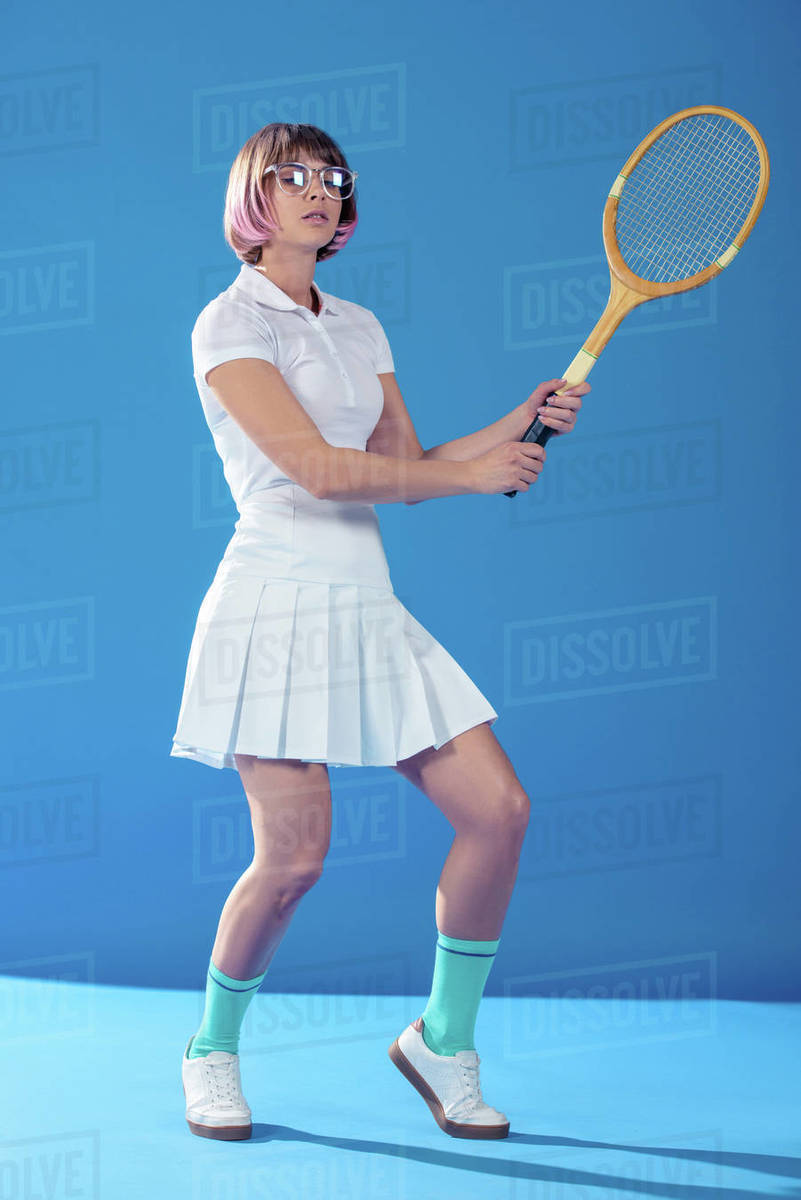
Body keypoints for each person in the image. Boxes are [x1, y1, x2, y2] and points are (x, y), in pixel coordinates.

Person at [173, 122, 588, 1142]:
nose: (320, 190)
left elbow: (405, 464)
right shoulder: (228, 325)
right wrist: (472, 475)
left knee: (499, 811)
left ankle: (442, 1041)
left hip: (366, 604)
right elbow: (318, 470)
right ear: (254, 199)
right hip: (271, 607)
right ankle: (211, 1051)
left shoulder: (359, 326)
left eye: (332, 178)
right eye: (294, 177)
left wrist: (514, 419)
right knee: (294, 861)